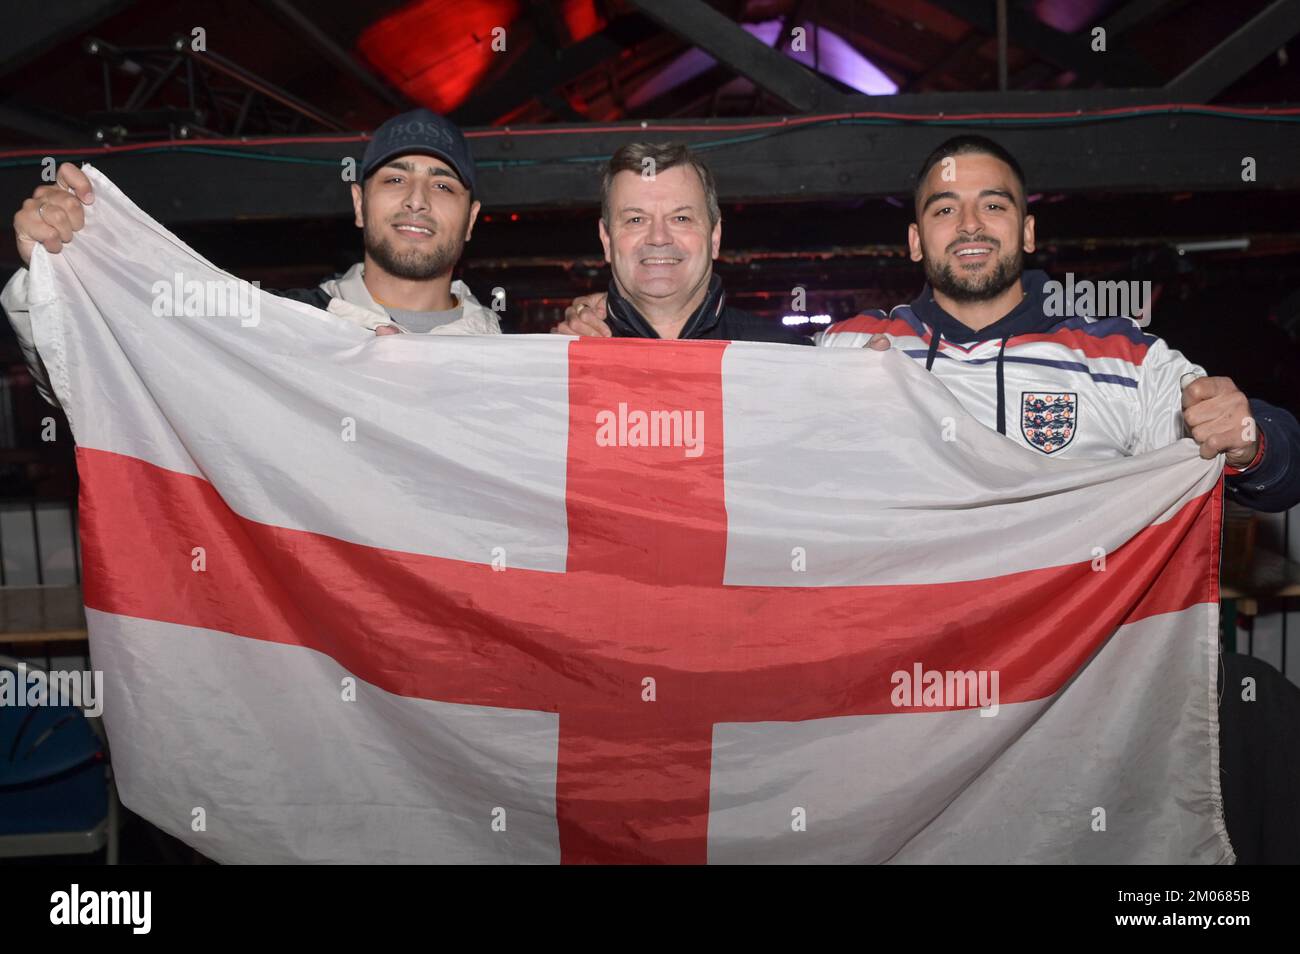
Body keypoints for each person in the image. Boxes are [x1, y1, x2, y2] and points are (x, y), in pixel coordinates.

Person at [819, 134, 1300, 513]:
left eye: (993, 205)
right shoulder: (851, 350)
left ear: (1027, 232)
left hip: (1065, 637)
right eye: (945, 208)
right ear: (915, 240)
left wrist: (1252, 443)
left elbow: (1283, 470)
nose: (969, 225)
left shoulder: (1117, 356)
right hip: (908, 633)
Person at [4, 108, 500, 406]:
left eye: (442, 184)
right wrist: (55, 272)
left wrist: (582, 360)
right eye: (395, 179)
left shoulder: (517, 360)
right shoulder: (278, 327)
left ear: (472, 218)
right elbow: (109, 384)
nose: (417, 199)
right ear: (358, 204)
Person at [550, 141, 808, 345]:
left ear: (715, 236)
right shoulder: (555, 366)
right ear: (606, 240)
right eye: (636, 219)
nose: (659, 238)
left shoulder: (785, 360)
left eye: (681, 218)